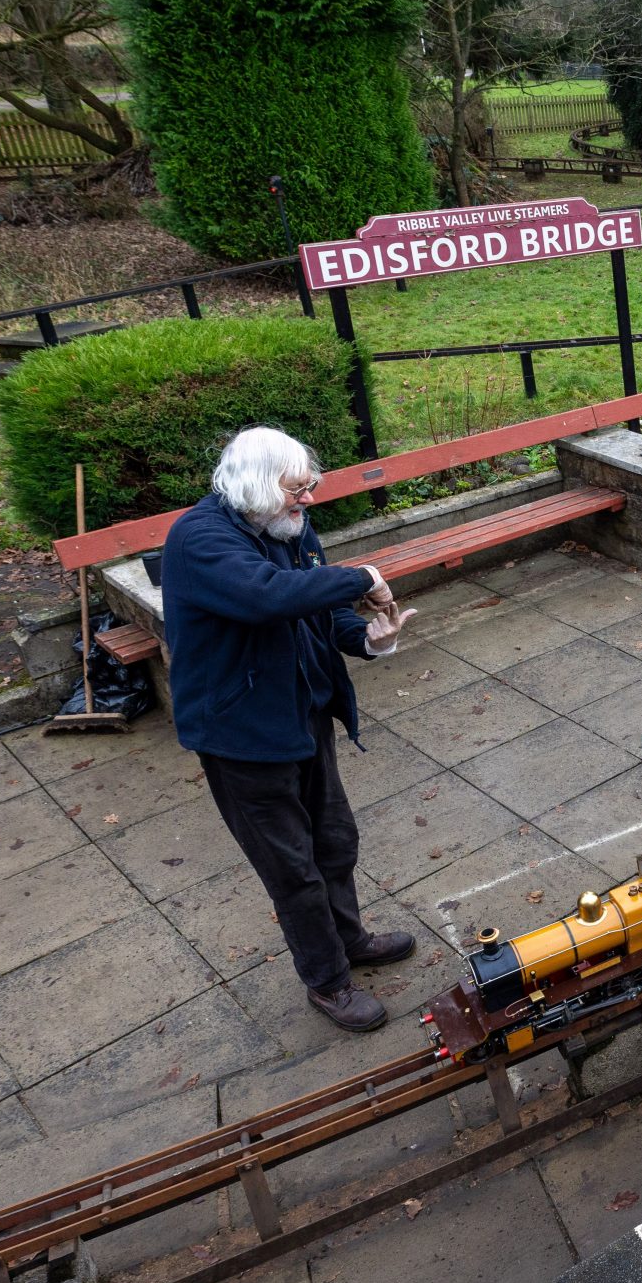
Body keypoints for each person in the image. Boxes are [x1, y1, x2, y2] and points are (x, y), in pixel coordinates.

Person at [163, 427, 418, 1033]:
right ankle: (328, 983)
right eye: (295, 489)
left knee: (334, 839)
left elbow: (319, 608)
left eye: (309, 488)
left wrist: (367, 640)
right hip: (242, 733)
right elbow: (267, 597)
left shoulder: (285, 526)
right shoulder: (199, 538)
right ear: (254, 483)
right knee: (292, 869)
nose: (306, 502)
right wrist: (364, 578)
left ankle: (351, 939)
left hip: (301, 712)